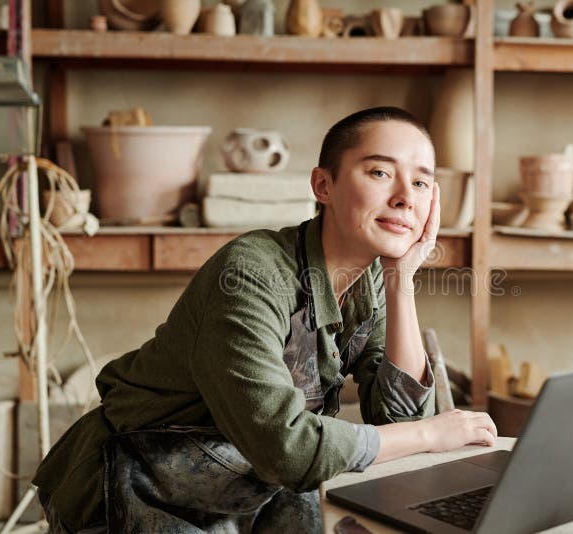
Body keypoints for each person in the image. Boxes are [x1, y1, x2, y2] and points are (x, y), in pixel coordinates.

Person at [33, 107, 497, 533]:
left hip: (245, 491)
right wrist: (431, 433)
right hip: (133, 488)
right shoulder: (250, 273)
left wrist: (402, 282)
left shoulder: (372, 277)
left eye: (420, 183)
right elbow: (288, 448)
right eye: (380, 172)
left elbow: (397, 416)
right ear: (323, 186)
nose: (404, 198)